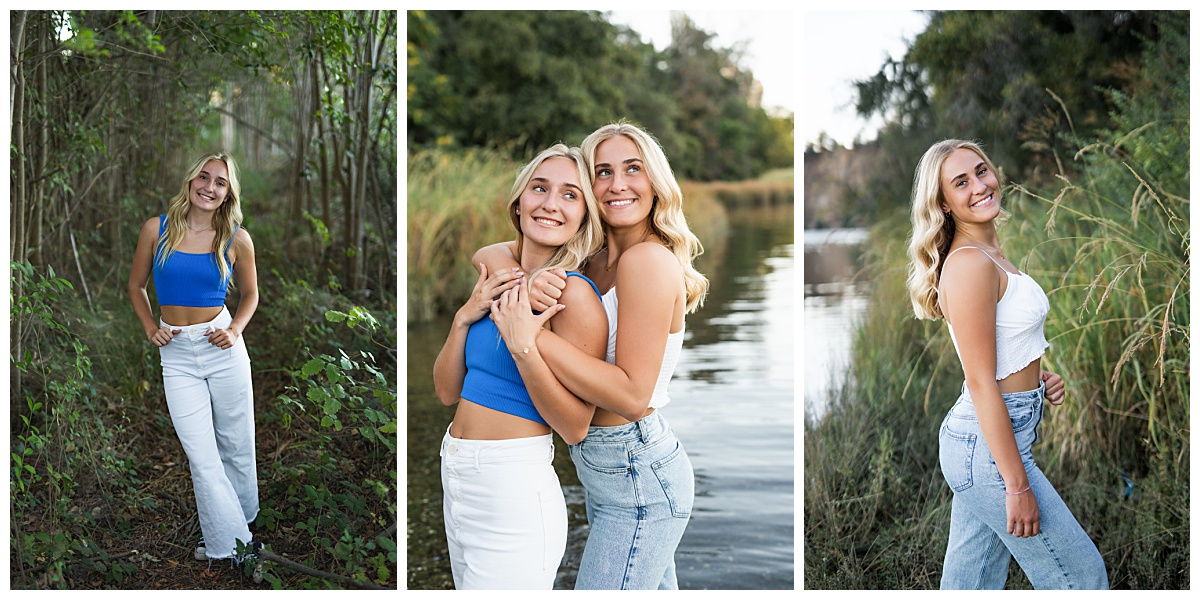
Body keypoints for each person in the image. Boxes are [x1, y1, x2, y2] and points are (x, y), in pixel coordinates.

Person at [479, 122, 708, 589]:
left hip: (638, 475)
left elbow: (630, 393)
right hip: (607, 475)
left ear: (655, 181)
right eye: (603, 172)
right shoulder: (593, 256)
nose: (617, 185)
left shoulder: (646, 260)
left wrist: (532, 335)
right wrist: (519, 282)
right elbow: (490, 250)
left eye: (633, 169)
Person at [906, 139, 1108, 589]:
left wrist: (1037, 377)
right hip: (988, 446)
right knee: (1081, 578)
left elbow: (1001, 348)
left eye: (981, 171)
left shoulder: (990, 254)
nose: (979, 185)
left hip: (993, 434)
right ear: (944, 203)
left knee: (970, 587)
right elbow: (980, 383)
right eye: (961, 182)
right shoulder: (970, 264)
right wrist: (1016, 487)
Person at [431, 144, 608, 589]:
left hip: (513, 485)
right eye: (539, 188)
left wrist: (524, 345)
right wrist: (462, 319)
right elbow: (446, 392)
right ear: (519, 201)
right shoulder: (497, 277)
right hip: (455, 470)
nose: (550, 203)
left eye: (570, 195)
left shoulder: (574, 297)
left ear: (585, 215)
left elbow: (575, 427)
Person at [128, 152, 261, 563]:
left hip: (222, 348)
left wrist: (235, 330)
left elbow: (252, 295)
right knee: (201, 454)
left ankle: (246, 522)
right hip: (177, 355)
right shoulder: (157, 229)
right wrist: (152, 328)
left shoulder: (237, 238)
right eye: (204, 177)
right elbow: (136, 287)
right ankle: (235, 547)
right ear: (190, 182)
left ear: (227, 194)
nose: (210, 186)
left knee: (236, 444)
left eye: (220, 182)